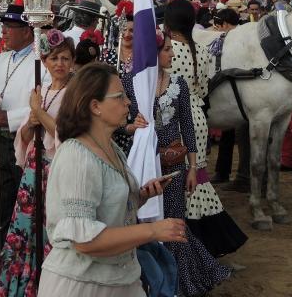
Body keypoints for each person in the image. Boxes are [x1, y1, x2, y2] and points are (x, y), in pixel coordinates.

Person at [38, 63, 186, 297]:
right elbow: (84, 241)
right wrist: (152, 231)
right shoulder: (77, 156)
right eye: (119, 97)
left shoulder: (111, 148)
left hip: (119, 278)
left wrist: (141, 196)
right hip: (83, 285)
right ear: (95, 106)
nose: (128, 102)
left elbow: (108, 209)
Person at [124, 35, 231, 296]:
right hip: (143, 166)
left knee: (173, 221)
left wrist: (193, 168)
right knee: (144, 219)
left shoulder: (179, 84)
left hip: (174, 166)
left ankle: (180, 283)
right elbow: (117, 125)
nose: (173, 54)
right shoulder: (129, 83)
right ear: (153, 53)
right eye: (168, 49)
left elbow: (188, 127)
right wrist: (130, 126)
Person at [0, 32, 74, 297]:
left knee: (52, 225)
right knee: (26, 225)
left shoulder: (75, 95)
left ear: (72, 62)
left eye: (65, 58)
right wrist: (30, 122)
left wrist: (38, 113)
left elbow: (66, 135)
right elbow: (27, 136)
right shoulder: (41, 92)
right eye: (54, 58)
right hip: (33, 168)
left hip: (58, 168)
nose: (59, 64)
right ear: (45, 61)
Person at [162, 0, 245, 258]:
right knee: (196, 178)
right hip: (197, 117)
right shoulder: (201, 49)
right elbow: (203, 90)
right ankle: (207, 241)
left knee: (178, 180)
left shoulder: (166, 50)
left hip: (173, 119)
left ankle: (194, 243)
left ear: (169, 23)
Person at [0, 5, 38, 235]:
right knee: (3, 192)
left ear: (26, 31)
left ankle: (24, 242)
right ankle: (4, 242)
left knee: (25, 194)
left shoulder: (39, 61)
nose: (3, 31)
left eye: (9, 27)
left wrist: (9, 117)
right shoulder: (0, 60)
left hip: (26, 138)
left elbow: (43, 105)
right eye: (3, 26)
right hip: (1, 139)